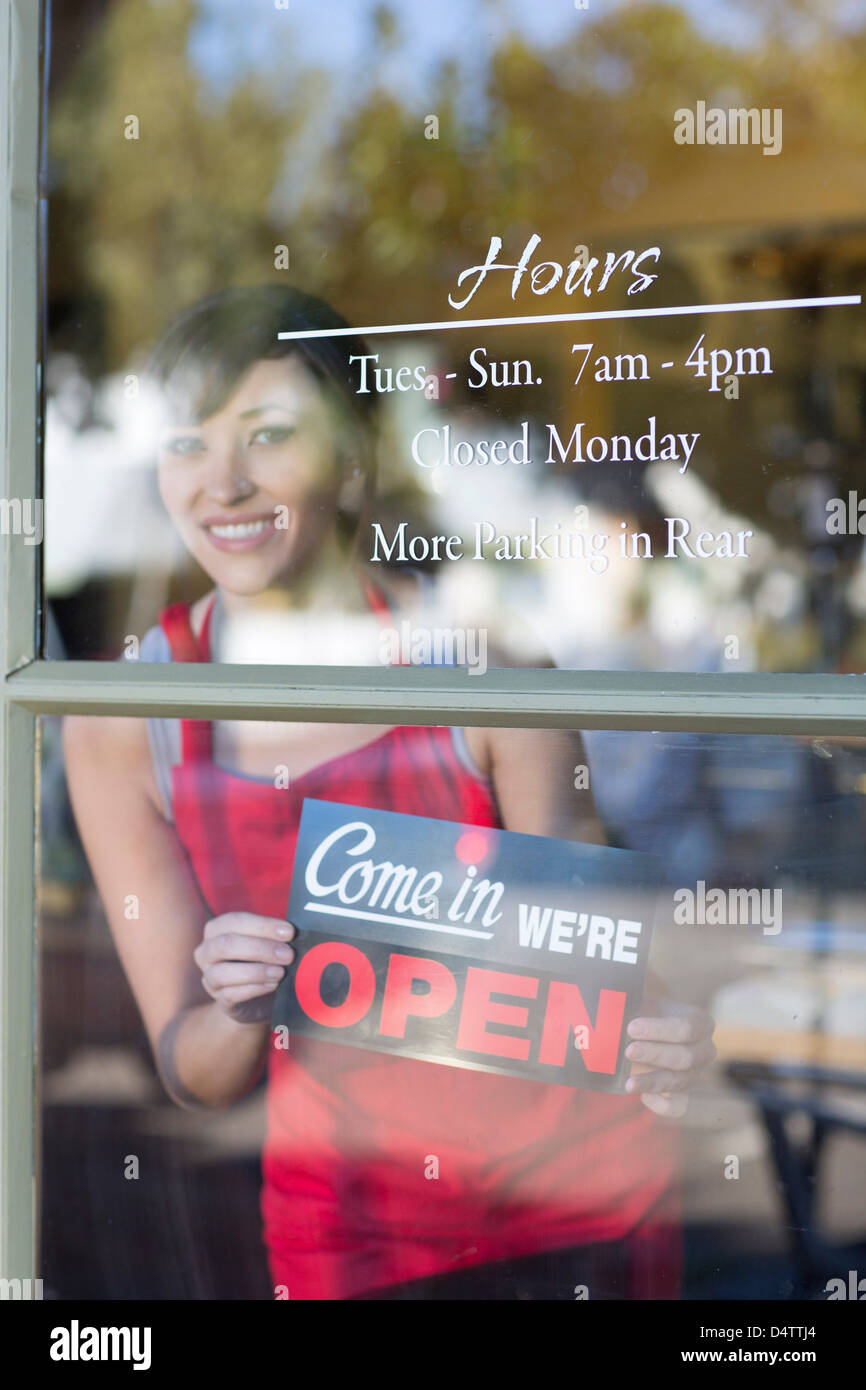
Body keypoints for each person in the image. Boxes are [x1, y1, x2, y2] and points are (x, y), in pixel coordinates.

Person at [63, 285, 715, 1301]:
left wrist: (666, 1037)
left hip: (580, 1215)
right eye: (188, 442)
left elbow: (607, 967)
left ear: (354, 457)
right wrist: (243, 1005)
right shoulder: (121, 716)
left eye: (268, 435)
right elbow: (191, 1071)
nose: (222, 483)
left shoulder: (491, 672)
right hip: (348, 1237)